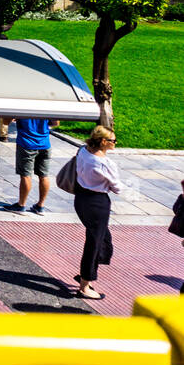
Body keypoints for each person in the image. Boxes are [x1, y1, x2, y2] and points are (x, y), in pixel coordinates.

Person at [73, 126, 121, 299]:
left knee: (102, 239)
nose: (115, 143)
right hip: (98, 203)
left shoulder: (83, 151)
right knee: (94, 243)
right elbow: (117, 188)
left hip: (81, 199)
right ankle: (85, 284)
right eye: (113, 141)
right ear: (103, 141)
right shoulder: (105, 163)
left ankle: (88, 274)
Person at [3, 118, 55, 214]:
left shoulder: (22, 106)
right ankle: (40, 206)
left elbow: (6, 122)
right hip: (45, 143)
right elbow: (55, 123)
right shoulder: (47, 105)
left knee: (26, 175)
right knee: (44, 175)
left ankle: (21, 205)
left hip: (26, 144)